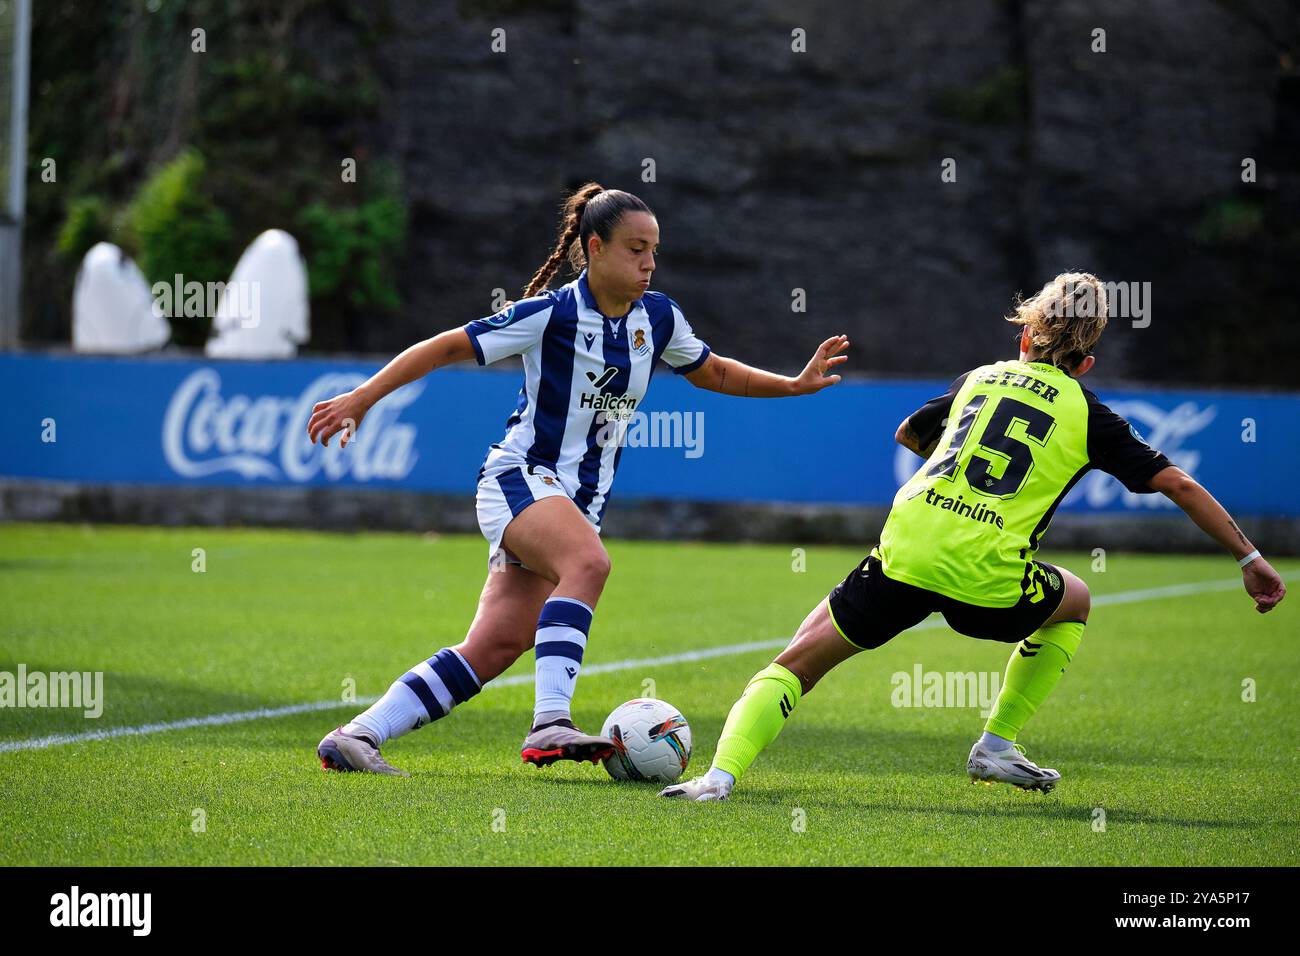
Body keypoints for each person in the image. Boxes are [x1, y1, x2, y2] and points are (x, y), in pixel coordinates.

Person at [662, 271, 1286, 801]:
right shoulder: (1092, 414)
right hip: (989, 582)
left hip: (907, 551)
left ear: (1024, 336)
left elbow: (908, 433)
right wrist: (1249, 557)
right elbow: (1179, 485)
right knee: (1076, 599)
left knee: (796, 662)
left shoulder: (979, 378)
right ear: (1087, 362)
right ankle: (997, 743)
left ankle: (718, 778)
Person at [309, 182, 851, 775]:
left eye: (654, 251)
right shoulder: (551, 314)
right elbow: (444, 348)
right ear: (594, 248)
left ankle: (357, 736)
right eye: (634, 249)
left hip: (576, 502)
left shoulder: (660, 319)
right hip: (519, 477)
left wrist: (794, 384)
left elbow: (715, 372)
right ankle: (550, 723)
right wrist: (363, 397)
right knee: (589, 564)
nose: (648, 263)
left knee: (494, 647)